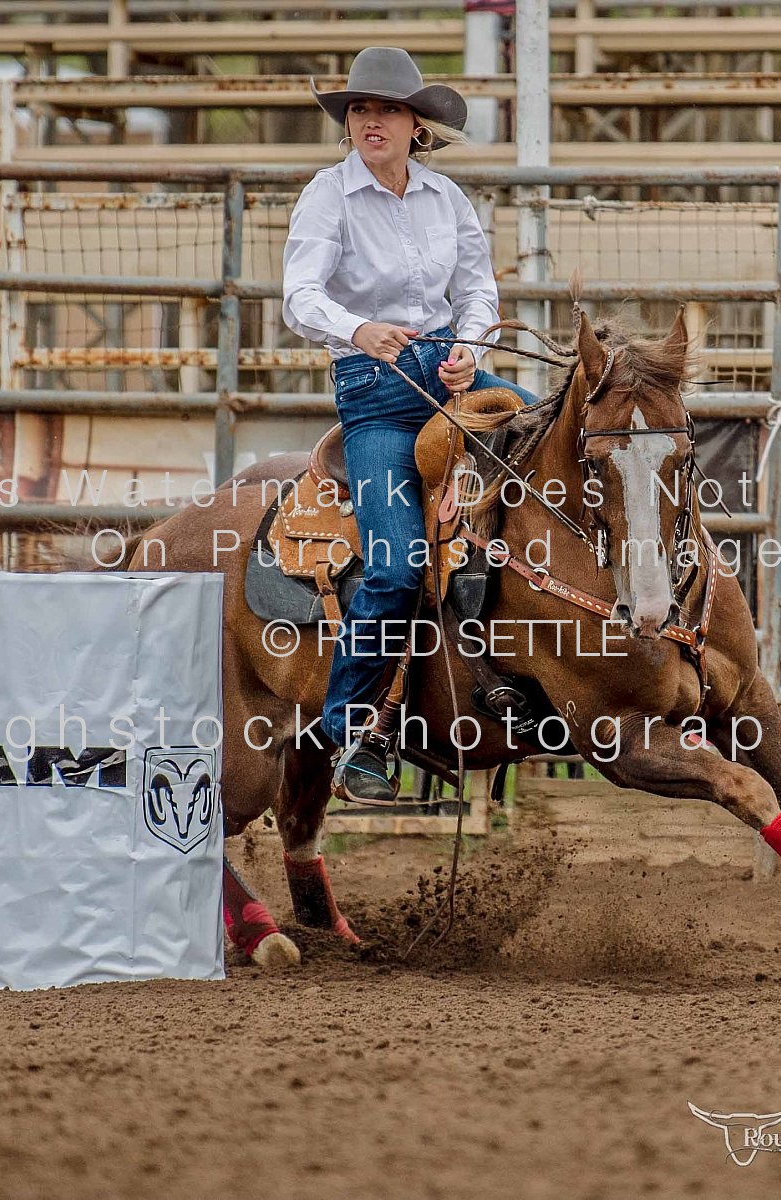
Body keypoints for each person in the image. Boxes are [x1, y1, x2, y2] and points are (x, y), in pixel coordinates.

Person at [283, 46, 537, 804]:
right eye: (360, 109)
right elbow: (299, 295)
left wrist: (470, 345)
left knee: (550, 445)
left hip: (448, 373)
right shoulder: (328, 197)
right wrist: (358, 329)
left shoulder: (445, 199)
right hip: (376, 390)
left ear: (415, 125)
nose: (371, 120)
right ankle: (357, 730)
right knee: (394, 567)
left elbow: (478, 290)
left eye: (386, 109)